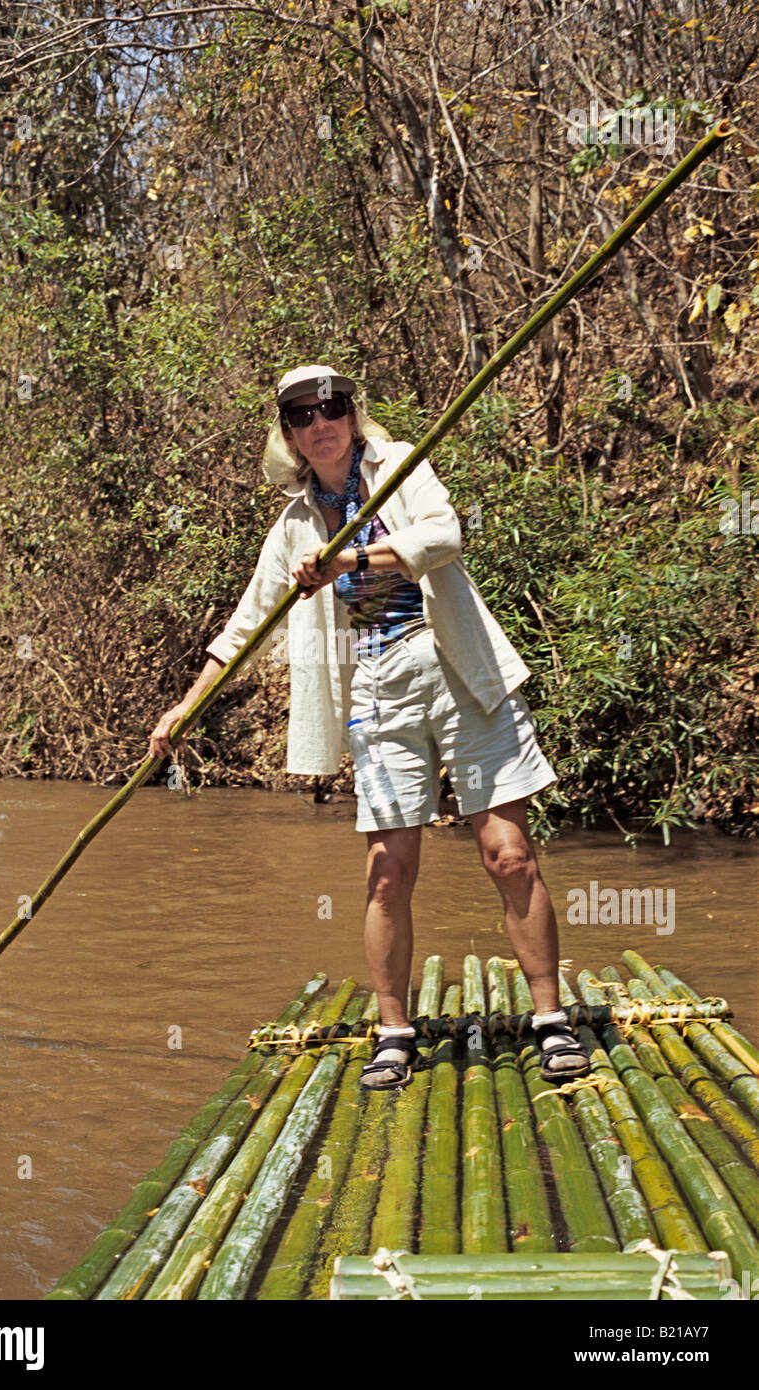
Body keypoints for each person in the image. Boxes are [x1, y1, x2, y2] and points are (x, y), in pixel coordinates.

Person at [149, 363, 591, 1090]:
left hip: (455, 665)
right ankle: (395, 1031)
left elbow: (442, 535)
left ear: (351, 416)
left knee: (507, 852)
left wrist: (351, 556)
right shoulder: (293, 526)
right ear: (288, 435)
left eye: (331, 408)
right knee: (388, 871)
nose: (319, 423)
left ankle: (549, 1020)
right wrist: (187, 705)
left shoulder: (401, 467)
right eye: (301, 415)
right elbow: (247, 627)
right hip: (378, 690)